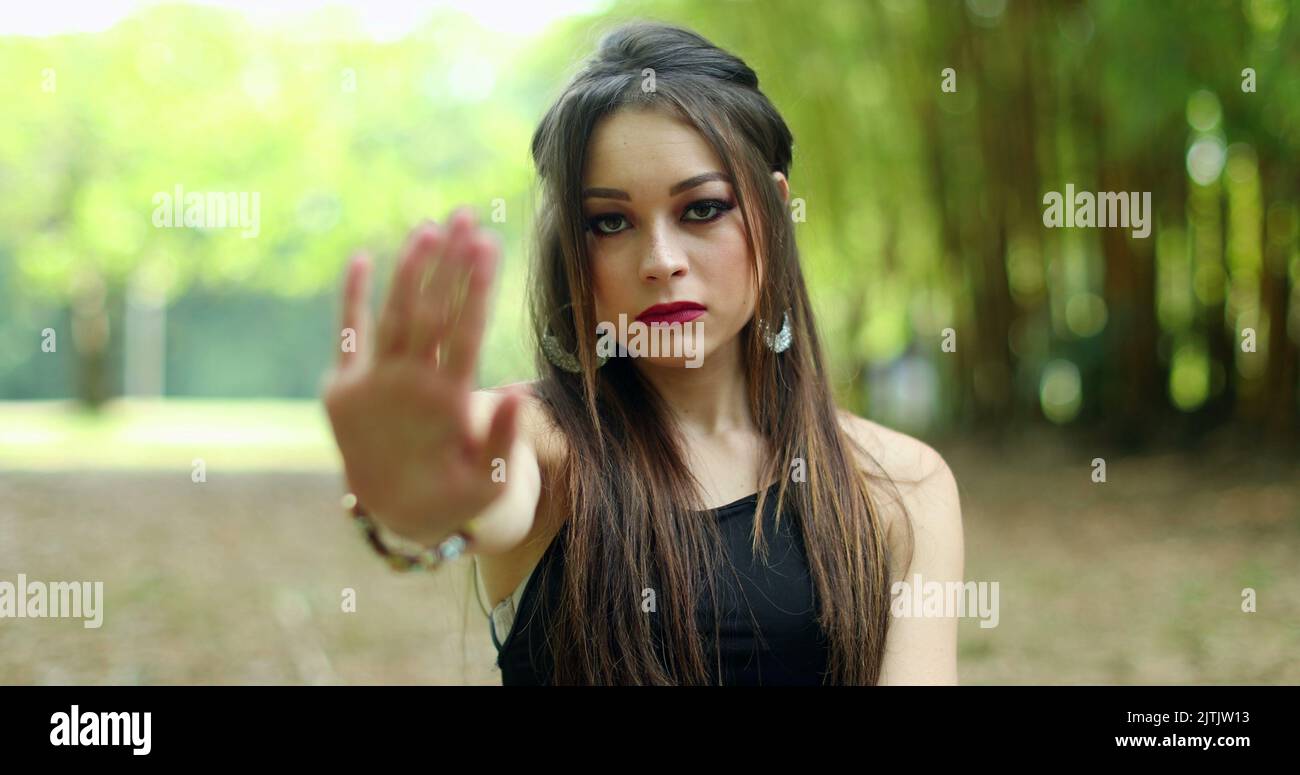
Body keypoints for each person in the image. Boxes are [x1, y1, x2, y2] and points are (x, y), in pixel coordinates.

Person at [322, 21, 962, 685]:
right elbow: (481, 477)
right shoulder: (548, 445)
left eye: (703, 209)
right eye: (610, 222)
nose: (660, 261)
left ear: (774, 211)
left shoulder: (900, 484)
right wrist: (409, 492)